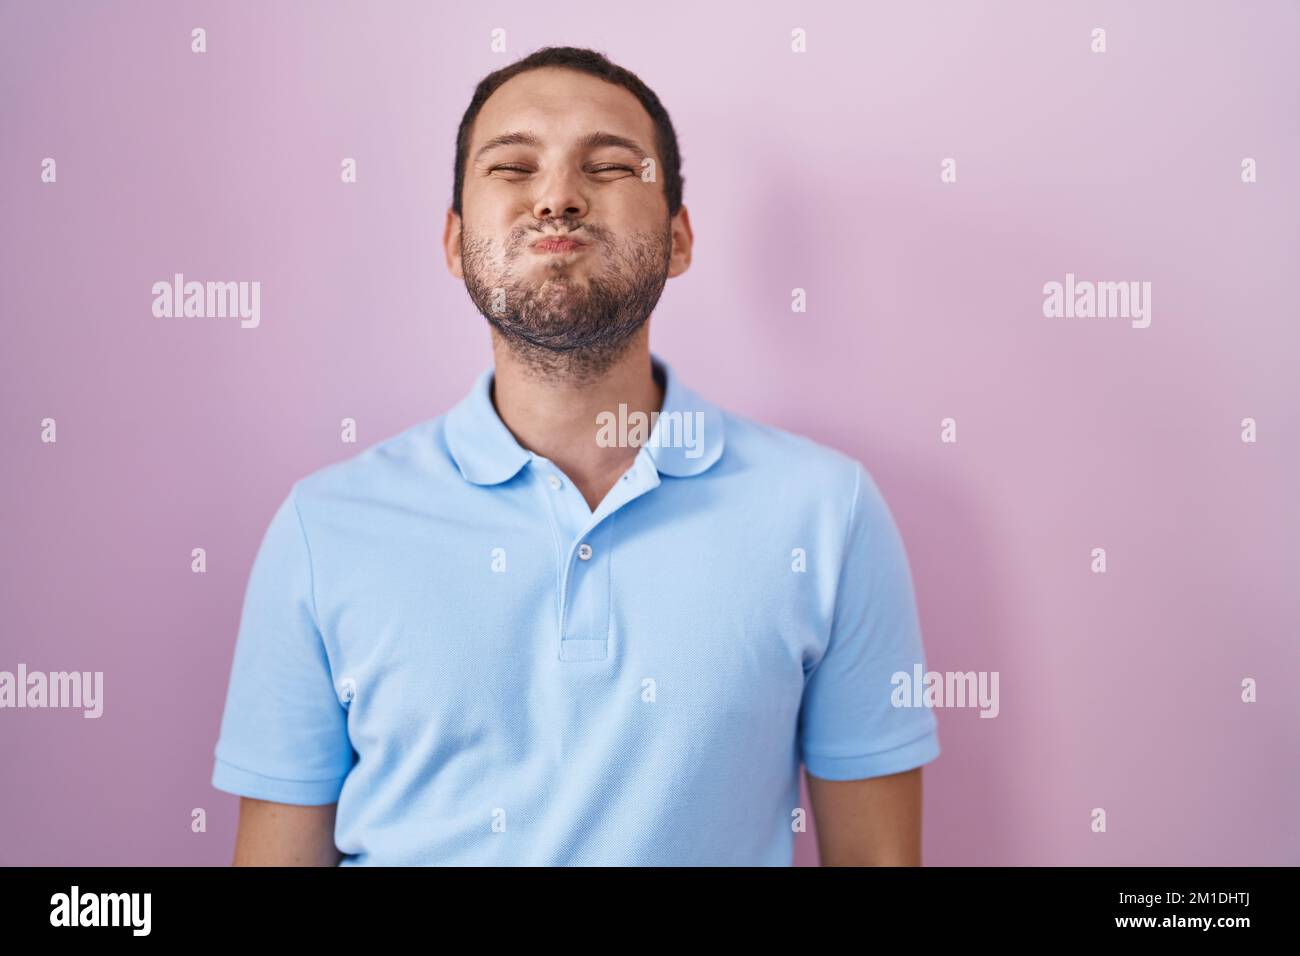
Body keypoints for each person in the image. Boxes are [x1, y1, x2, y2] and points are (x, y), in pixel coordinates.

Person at [211, 45, 939, 866]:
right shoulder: (324, 527)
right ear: (455, 244)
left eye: (611, 167)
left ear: (679, 238)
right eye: (513, 167)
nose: (557, 198)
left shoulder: (826, 512)